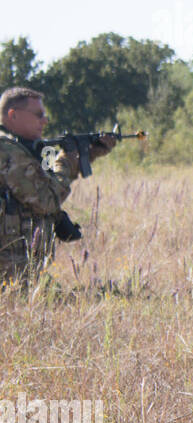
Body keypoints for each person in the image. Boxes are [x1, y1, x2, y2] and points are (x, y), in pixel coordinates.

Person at [0, 86, 116, 288]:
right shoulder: (8, 152)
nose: (44, 120)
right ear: (13, 115)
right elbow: (47, 200)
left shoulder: (23, 149)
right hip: (11, 275)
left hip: (22, 272)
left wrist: (88, 154)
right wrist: (66, 162)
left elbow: (47, 180)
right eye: (38, 115)